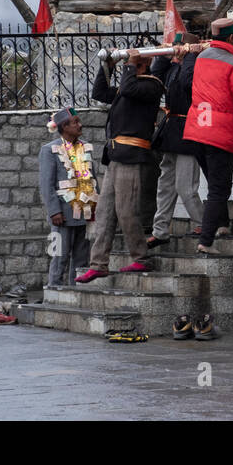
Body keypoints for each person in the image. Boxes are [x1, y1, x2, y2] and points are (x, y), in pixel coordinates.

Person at [75, 49, 164, 284]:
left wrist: (129, 65)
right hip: (116, 156)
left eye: (132, 62)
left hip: (133, 155)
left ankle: (141, 257)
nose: (128, 64)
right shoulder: (129, 85)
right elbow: (100, 92)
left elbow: (128, 88)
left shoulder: (152, 86)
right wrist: (108, 66)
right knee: (104, 213)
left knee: (126, 210)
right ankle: (98, 263)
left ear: (141, 65)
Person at [184, 18, 233, 257]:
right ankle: (206, 242)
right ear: (232, 38)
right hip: (219, 132)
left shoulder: (201, 58)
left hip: (196, 129)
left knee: (215, 181)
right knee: (218, 189)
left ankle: (222, 224)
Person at [148, 34, 204, 247]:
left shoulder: (196, 67)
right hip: (171, 129)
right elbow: (155, 77)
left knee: (185, 185)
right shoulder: (172, 68)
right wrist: (163, 54)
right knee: (165, 184)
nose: (177, 51)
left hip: (189, 128)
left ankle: (202, 223)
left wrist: (190, 56)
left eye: (180, 47)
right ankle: (160, 230)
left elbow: (188, 82)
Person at [39, 108, 95, 287]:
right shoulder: (49, 150)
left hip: (84, 213)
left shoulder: (85, 146)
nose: (80, 125)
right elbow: (47, 184)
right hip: (61, 215)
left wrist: (96, 206)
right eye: (75, 122)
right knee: (59, 257)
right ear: (64, 127)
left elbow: (92, 178)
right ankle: (54, 292)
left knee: (81, 259)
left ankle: (77, 292)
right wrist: (54, 211)